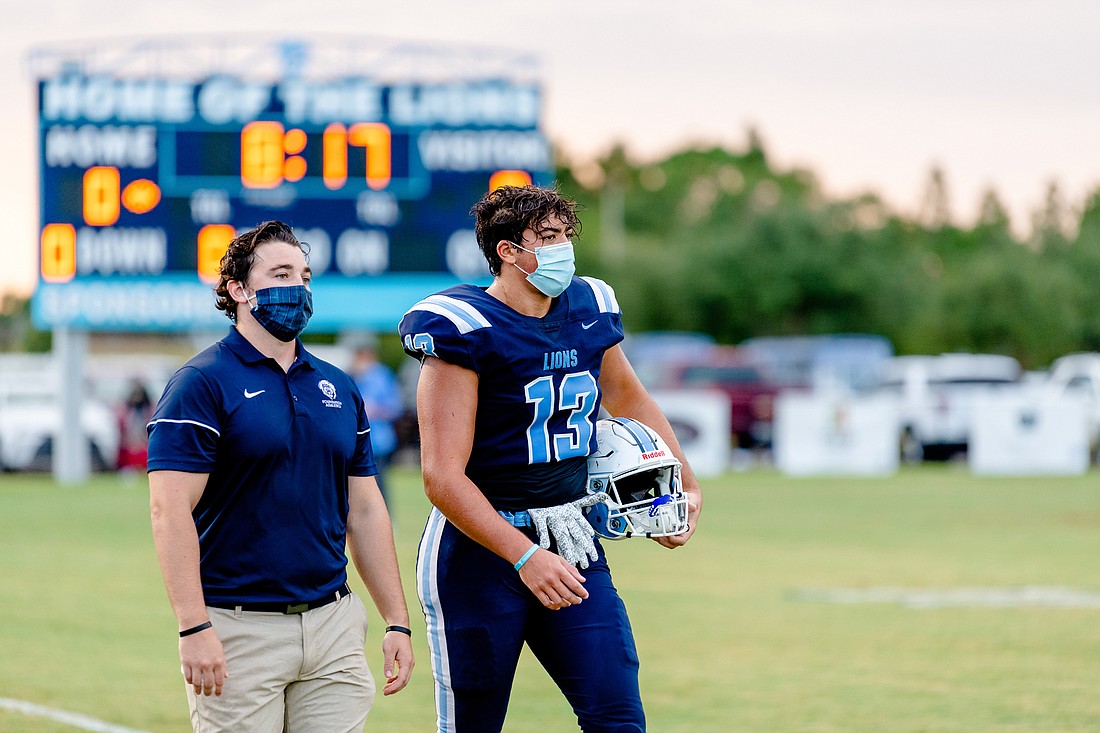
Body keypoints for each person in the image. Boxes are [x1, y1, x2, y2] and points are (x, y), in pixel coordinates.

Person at [398, 185, 703, 732]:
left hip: (571, 536)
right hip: (478, 552)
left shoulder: (588, 306)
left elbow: (628, 398)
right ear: (508, 251)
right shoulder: (463, 325)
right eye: (548, 238)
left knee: (618, 719)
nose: (563, 248)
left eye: (566, 235)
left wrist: (682, 483)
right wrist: (523, 556)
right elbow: (441, 478)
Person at [147, 220, 414, 732]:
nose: (299, 286)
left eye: (306, 275)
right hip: (239, 629)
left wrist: (395, 620)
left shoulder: (338, 385)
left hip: (333, 625)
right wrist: (193, 626)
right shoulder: (200, 384)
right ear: (239, 289)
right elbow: (168, 509)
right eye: (281, 273)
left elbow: (365, 509)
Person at [349, 335, 402, 505]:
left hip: (378, 440)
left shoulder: (383, 375)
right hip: (357, 440)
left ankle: (385, 517)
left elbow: (395, 407)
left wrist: (375, 409)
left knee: (379, 482)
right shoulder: (352, 375)